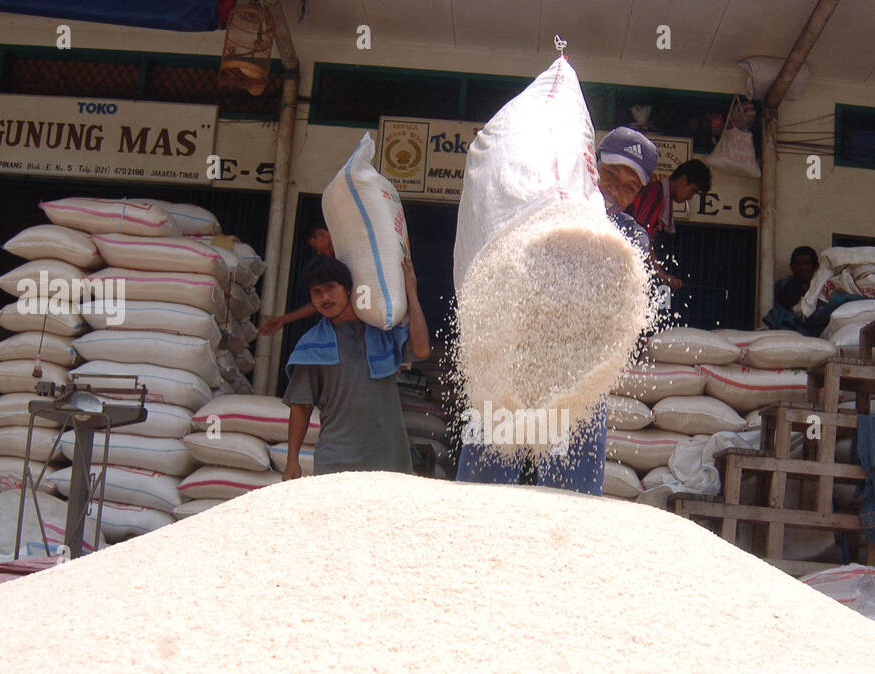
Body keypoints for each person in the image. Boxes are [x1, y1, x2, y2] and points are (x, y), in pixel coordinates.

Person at [455, 126, 658, 497]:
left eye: (630, 186)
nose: (617, 189)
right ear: (591, 167)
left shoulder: (630, 238)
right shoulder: (545, 205)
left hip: (576, 380)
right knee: (483, 487)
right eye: (611, 174)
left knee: (572, 497)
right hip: (513, 367)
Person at [281, 254, 430, 479]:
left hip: (390, 457)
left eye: (331, 288)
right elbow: (301, 407)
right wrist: (292, 460)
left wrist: (412, 293)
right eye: (316, 292)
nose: (325, 298)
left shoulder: (382, 332)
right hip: (337, 459)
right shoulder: (311, 346)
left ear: (348, 289)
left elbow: (422, 350)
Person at [625, 159, 712, 290]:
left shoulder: (662, 197)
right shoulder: (655, 192)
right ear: (683, 180)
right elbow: (638, 235)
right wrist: (660, 274)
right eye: (693, 190)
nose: (690, 197)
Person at [258, 218, 333, 338]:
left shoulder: (355, 253)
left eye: (316, 248)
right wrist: (284, 319)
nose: (319, 253)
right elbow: (319, 304)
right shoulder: (334, 265)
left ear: (321, 234)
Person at [773, 246, 819, 312]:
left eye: (806, 263)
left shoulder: (821, 287)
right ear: (791, 266)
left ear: (816, 266)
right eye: (796, 264)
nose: (801, 268)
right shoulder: (781, 287)